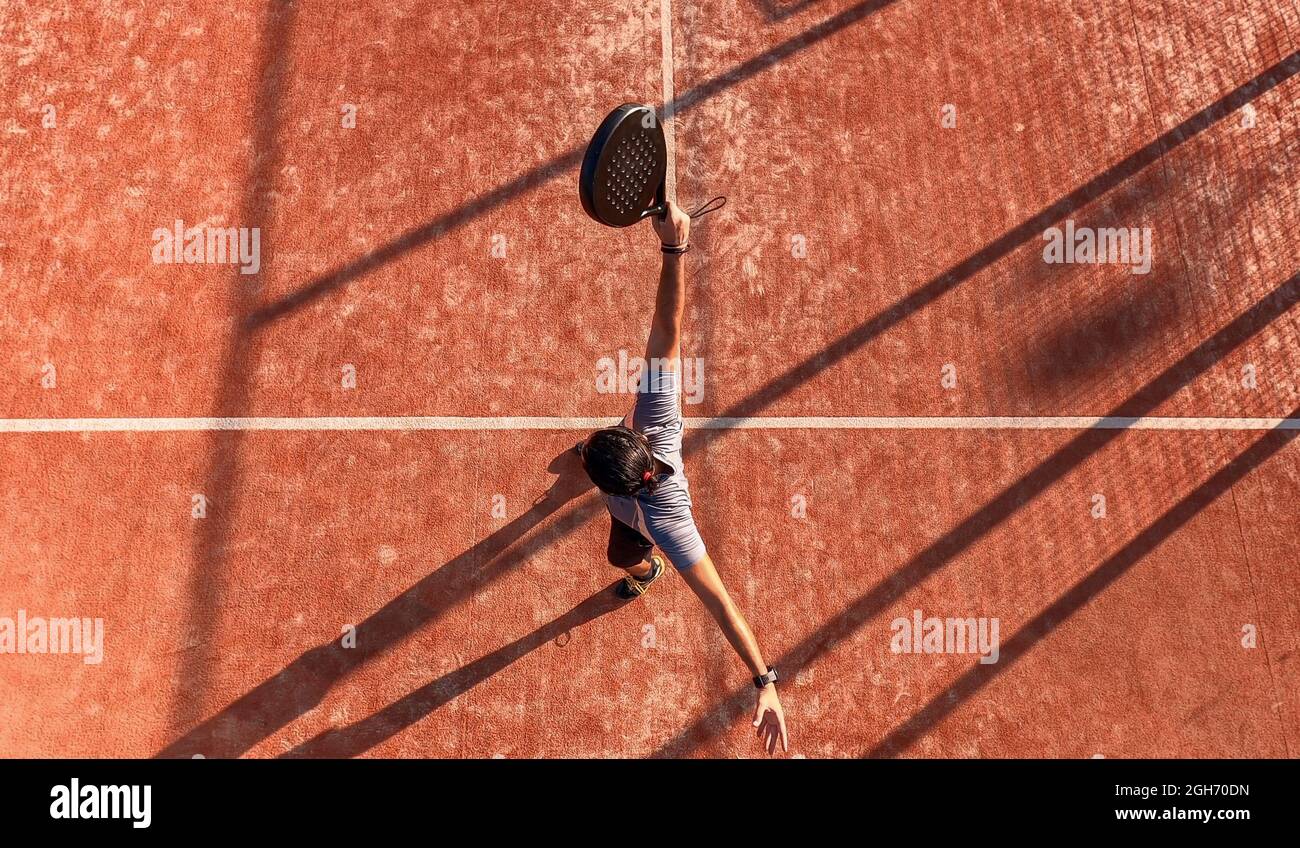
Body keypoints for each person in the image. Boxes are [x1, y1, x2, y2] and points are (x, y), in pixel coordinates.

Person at [576, 201, 789, 754]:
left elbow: (721, 604)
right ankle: (634, 553)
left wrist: (765, 683)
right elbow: (666, 328)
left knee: (621, 558)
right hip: (632, 477)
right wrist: (674, 249)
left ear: (614, 490)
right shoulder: (656, 416)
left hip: (642, 527)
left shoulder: (671, 526)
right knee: (618, 541)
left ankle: (647, 573)